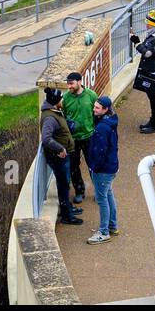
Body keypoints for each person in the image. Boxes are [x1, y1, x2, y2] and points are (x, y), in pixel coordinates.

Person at [40, 87, 83, 226]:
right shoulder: (50, 118)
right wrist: (60, 148)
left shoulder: (54, 111)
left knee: (65, 182)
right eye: (61, 99)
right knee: (64, 185)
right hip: (58, 157)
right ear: (56, 101)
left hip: (61, 156)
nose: (63, 100)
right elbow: (46, 139)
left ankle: (68, 208)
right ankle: (67, 216)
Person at [86, 95, 119, 243]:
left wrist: (94, 167)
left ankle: (104, 231)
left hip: (103, 170)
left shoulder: (102, 128)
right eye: (94, 106)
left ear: (105, 110)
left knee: (101, 199)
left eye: (97, 108)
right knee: (108, 195)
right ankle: (112, 226)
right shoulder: (110, 123)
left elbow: (100, 151)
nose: (94, 109)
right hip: (111, 166)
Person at [130, 8, 155, 134]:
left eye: (148, 23)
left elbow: (148, 53)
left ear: (153, 24)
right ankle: (154, 122)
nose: (146, 24)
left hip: (153, 72)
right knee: (154, 98)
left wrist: (136, 43)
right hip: (153, 70)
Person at [63, 70, 98, 203]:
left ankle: (98, 191)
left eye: (71, 84)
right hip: (73, 140)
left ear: (79, 82)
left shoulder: (91, 95)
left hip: (89, 137)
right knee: (73, 166)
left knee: (93, 165)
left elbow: (97, 114)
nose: (69, 86)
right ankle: (79, 191)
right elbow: (63, 116)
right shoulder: (66, 98)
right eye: (68, 84)